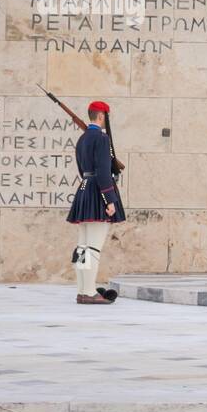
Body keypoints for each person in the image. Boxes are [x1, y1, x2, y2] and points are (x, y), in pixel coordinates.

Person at [66, 101, 125, 305]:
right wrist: (109, 200)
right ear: (101, 116)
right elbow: (103, 172)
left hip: (84, 190)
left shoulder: (82, 139)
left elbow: (83, 170)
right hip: (97, 192)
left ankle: (82, 290)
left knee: (83, 247)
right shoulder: (101, 138)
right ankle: (90, 292)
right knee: (93, 248)